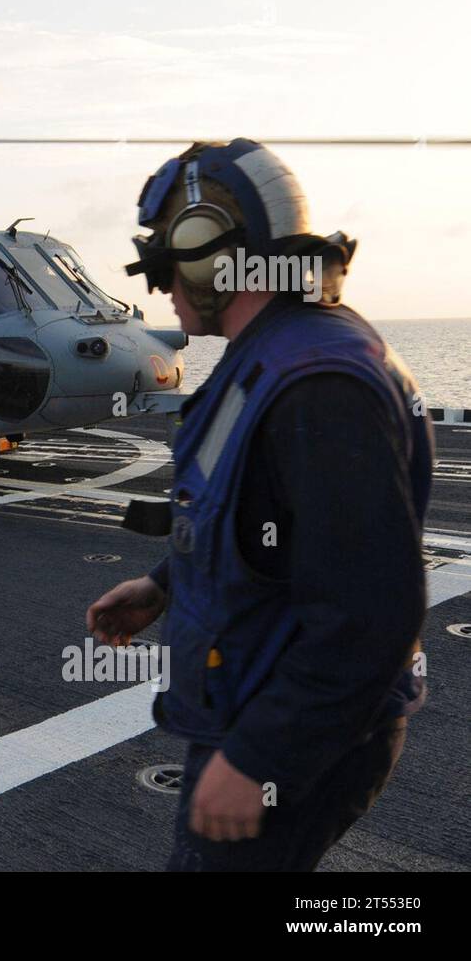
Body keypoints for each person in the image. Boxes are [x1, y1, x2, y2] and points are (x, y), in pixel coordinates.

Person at [88, 138, 432, 871]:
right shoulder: (276, 357)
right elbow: (253, 517)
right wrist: (162, 584)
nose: (160, 291)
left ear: (213, 254)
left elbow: (372, 609)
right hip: (255, 704)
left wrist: (258, 758)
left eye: (165, 264)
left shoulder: (316, 382)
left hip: (287, 725)